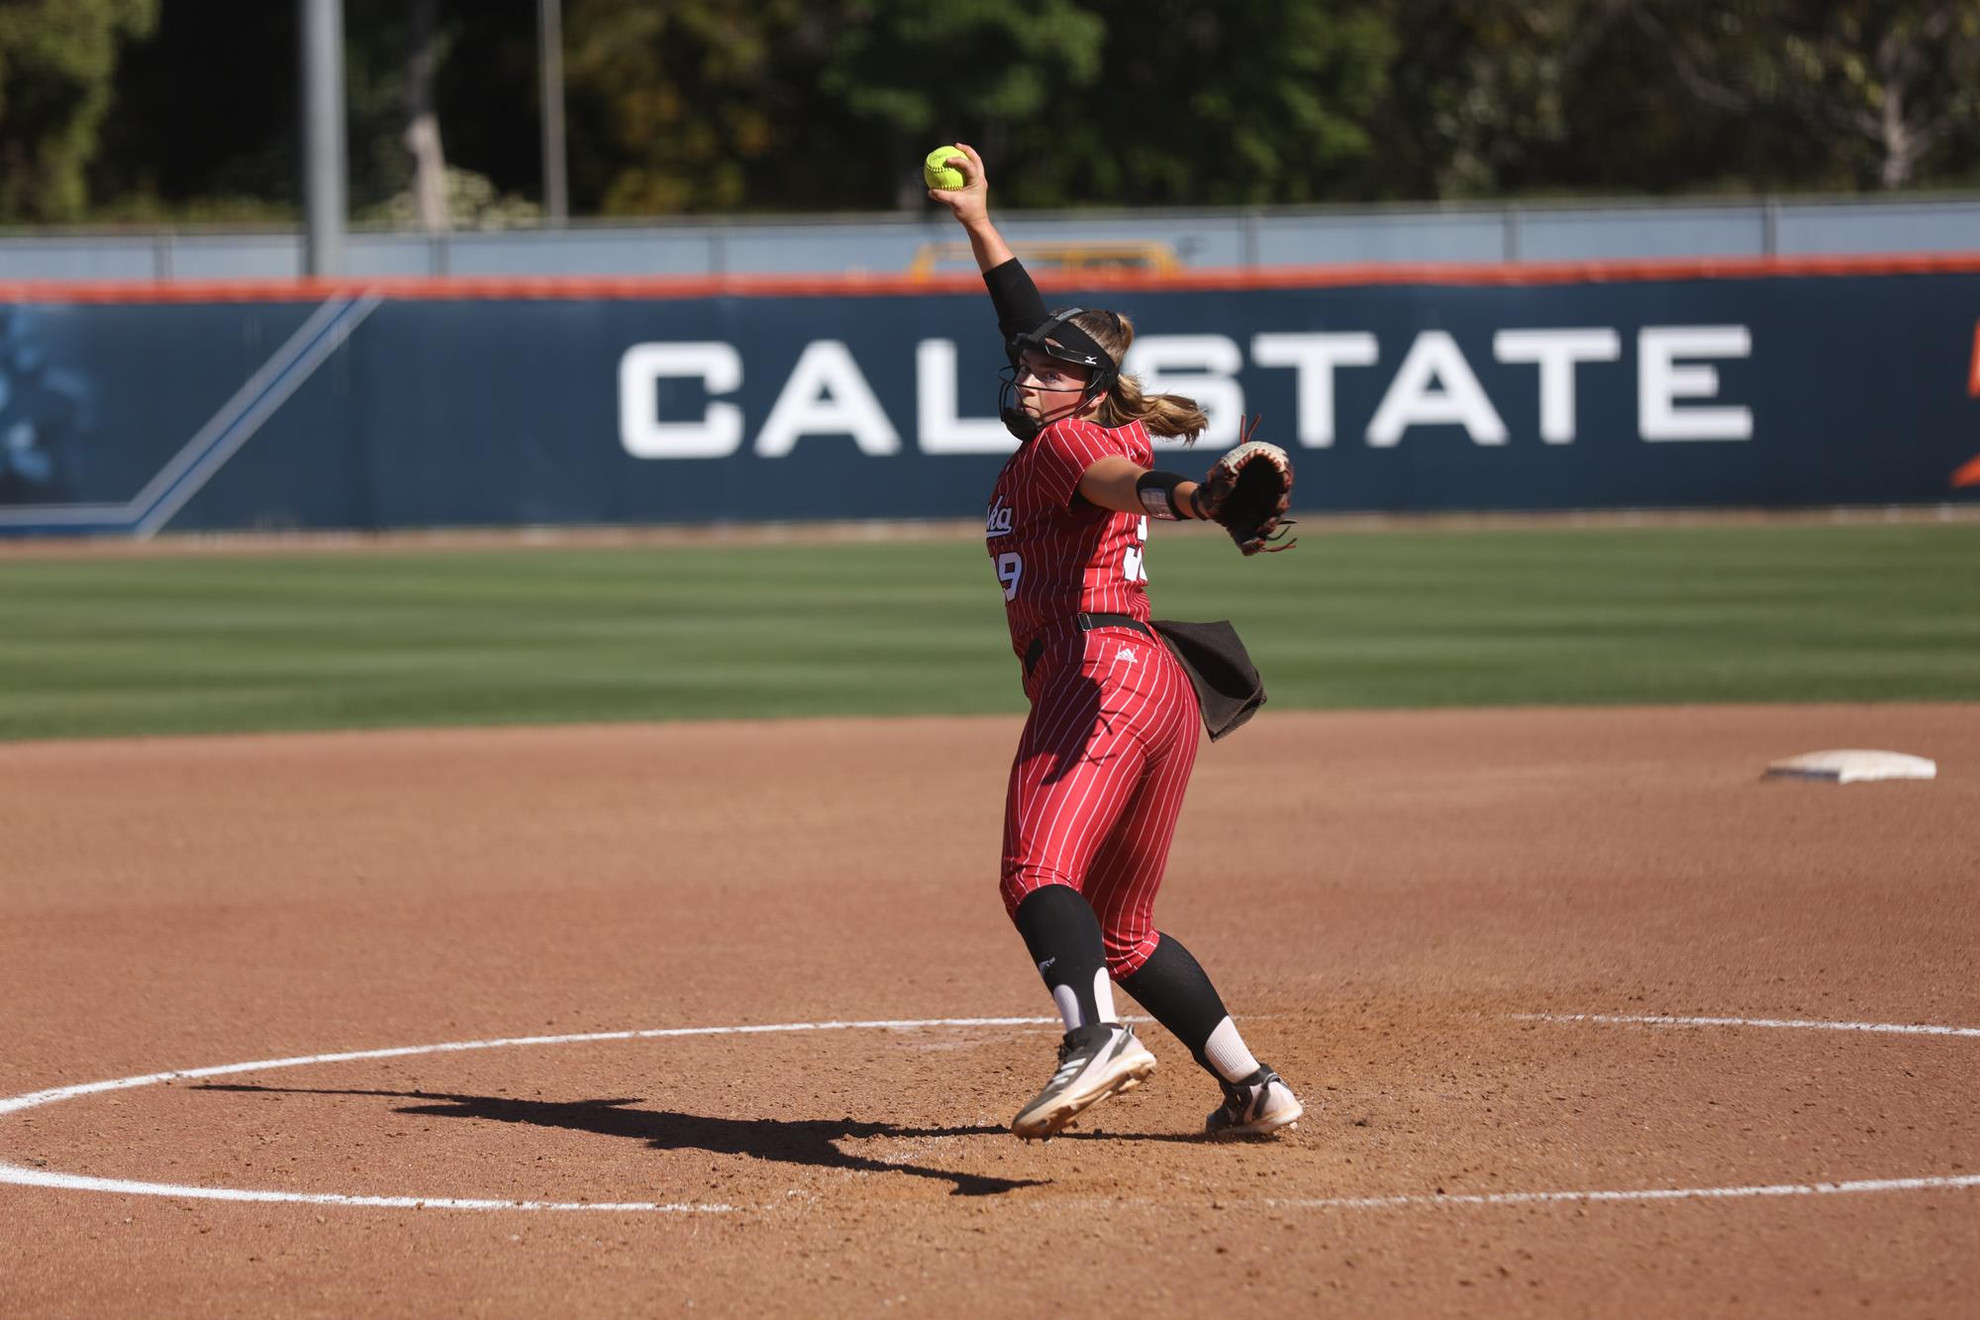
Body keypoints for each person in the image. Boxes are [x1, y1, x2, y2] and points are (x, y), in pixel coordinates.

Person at [927, 144, 1305, 1140]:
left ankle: (1093, 1039)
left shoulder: (1069, 443)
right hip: (1157, 691)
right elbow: (1033, 330)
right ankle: (1254, 1087)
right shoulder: (1084, 417)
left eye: (1054, 369)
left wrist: (1195, 498)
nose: (1031, 374)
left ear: (1089, 392)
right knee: (1125, 932)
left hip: (1095, 674)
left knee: (1034, 874)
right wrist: (978, 226)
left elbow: (1120, 487)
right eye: (1030, 362)